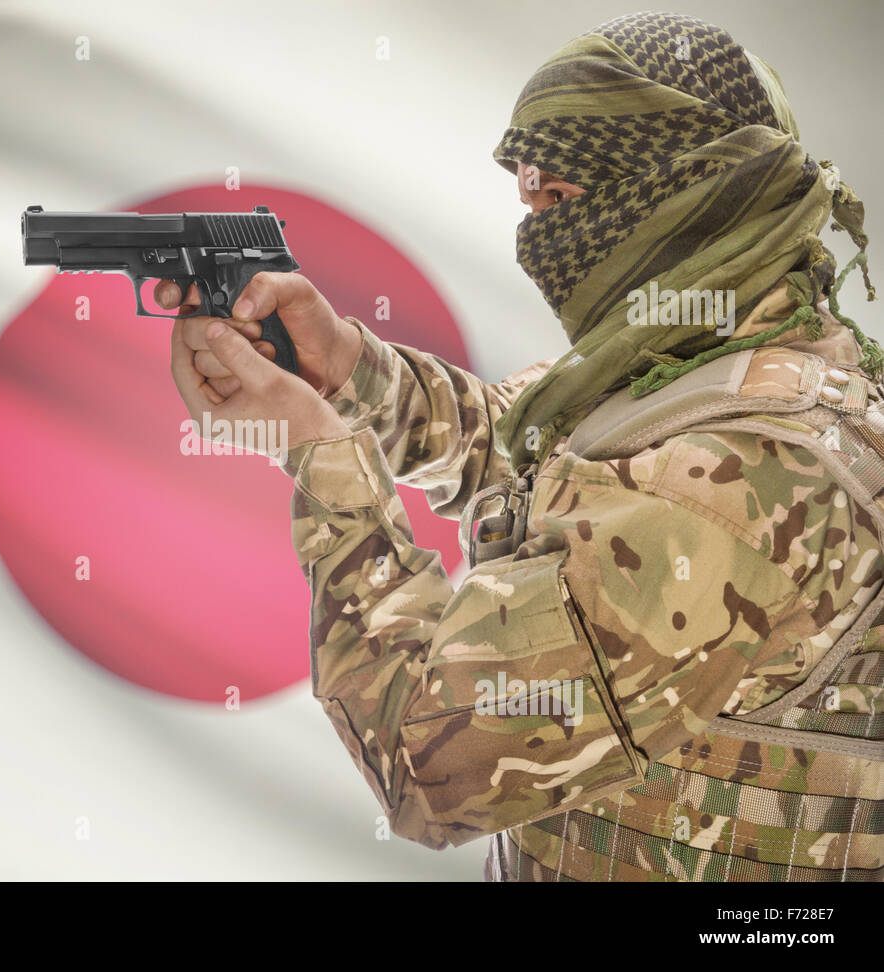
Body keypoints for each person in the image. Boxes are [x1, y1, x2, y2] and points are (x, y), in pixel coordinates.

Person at [163, 11, 882, 881]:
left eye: (558, 197)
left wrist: (323, 456)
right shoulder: (714, 359)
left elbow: (431, 767)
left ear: (682, 189)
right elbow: (520, 449)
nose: (533, 231)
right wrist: (347, 366)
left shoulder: (738, 483)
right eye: (526, 196)